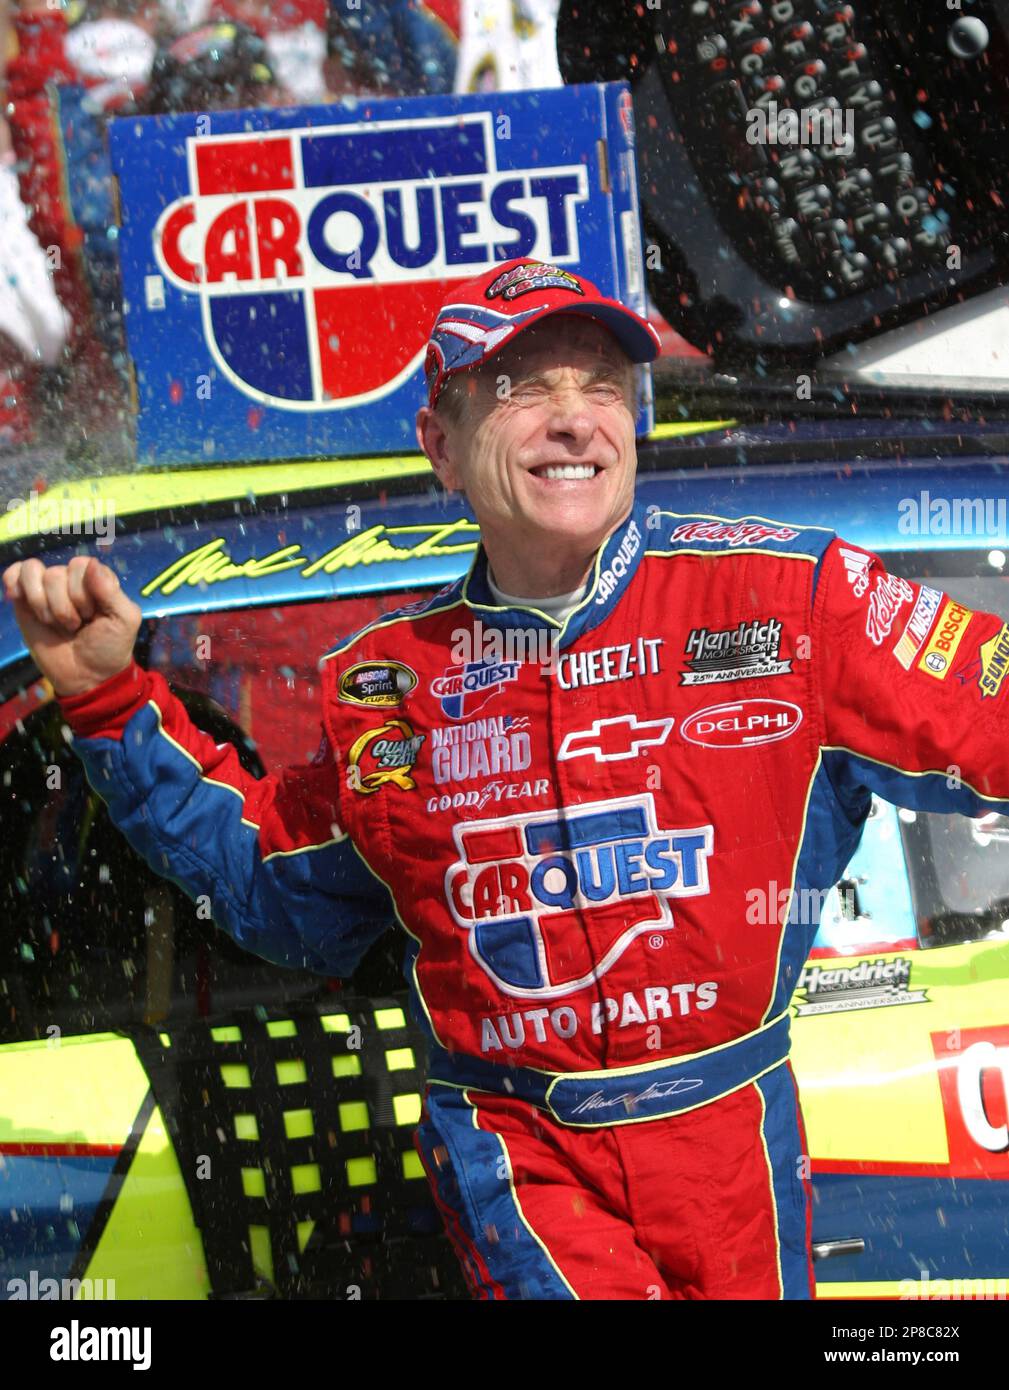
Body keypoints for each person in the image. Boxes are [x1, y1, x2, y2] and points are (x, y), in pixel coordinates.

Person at [5, 256, 1009, 1300]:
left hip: (735, 1131)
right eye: (522, 387)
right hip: (519, 1147)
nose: (573, 420)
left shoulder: (796, 599)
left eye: (602, 387)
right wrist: (112, 707)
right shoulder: (388, 685)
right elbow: (272, 887)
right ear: (440, 443)